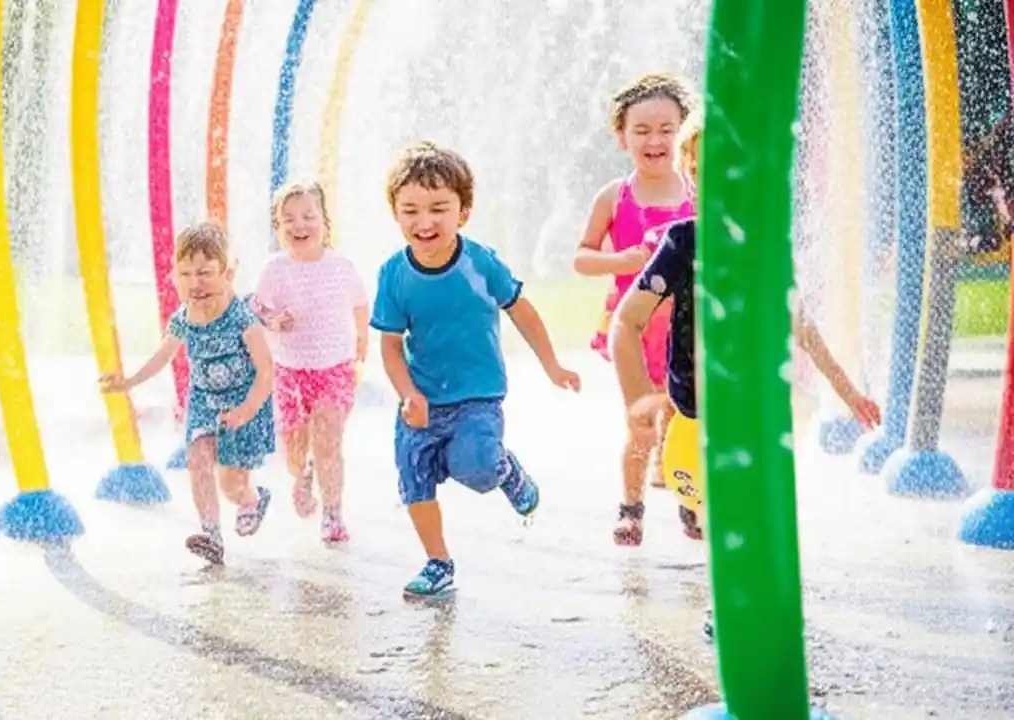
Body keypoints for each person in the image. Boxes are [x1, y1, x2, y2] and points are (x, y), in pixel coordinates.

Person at [611, 110, 882, 640]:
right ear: (692, 174)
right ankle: (728, 592)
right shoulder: (683, 242)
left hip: (753, 409)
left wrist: (847, 390)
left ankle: (740, 601)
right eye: (713, 169)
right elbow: (628, 319)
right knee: (714, 515)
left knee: (744, 511)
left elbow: (799, 323)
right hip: (693, 413)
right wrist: (639, 399)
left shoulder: (765, 245)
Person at [370, 141, 581, 598]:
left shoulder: (479, 262)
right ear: (396, 214)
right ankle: (437, 563)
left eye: (438, 209)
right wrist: (408, 393)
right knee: (414, 481)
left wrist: (552, 364)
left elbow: (521, 310)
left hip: (476, 397)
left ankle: (507, 472)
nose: (424, 222)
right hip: (422, 399)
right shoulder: (393, 274)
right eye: (411, 210)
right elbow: (388, 347)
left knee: (478, 468)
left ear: (463, 212)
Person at [100, 222, 274, 565]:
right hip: (204, 402)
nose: (196, 283)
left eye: (206, 273)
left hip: (243, 403)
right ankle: (211, 535)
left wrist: (247, 410)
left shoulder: (242, 318)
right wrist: (130, 381)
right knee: (197, 458)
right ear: (175, 276)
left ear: (228, 273)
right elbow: (164, 354)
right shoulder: (184, 318)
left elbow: (267, 370)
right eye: (187, 273)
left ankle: (253, 499)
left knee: (232, 484)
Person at [572, 72, 698, 546]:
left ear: (685, 135)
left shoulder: (695, 192)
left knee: (689, 420)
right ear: (621, 136)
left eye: (667, 129)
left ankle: (693, 502)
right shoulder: (615, 196)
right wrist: (621, 260)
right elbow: (581, 257)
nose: (655, 140)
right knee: (641, 422)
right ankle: (632, 506)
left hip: (687, 333)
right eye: (641, 130)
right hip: (635, 331)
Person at [252, 179, 369, 544]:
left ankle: (333, 513)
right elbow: (255, 306)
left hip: (335, 367)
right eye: (288, 219)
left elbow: (360, 305)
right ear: (278, 227)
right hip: (289, 371)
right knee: (295, 446)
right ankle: (302, 474)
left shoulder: (341, 266)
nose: (299, 225)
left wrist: (363, 339)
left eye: (308, 216)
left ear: (324, 222)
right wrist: (273, 320)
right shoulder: (274, 268)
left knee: (329, 440)